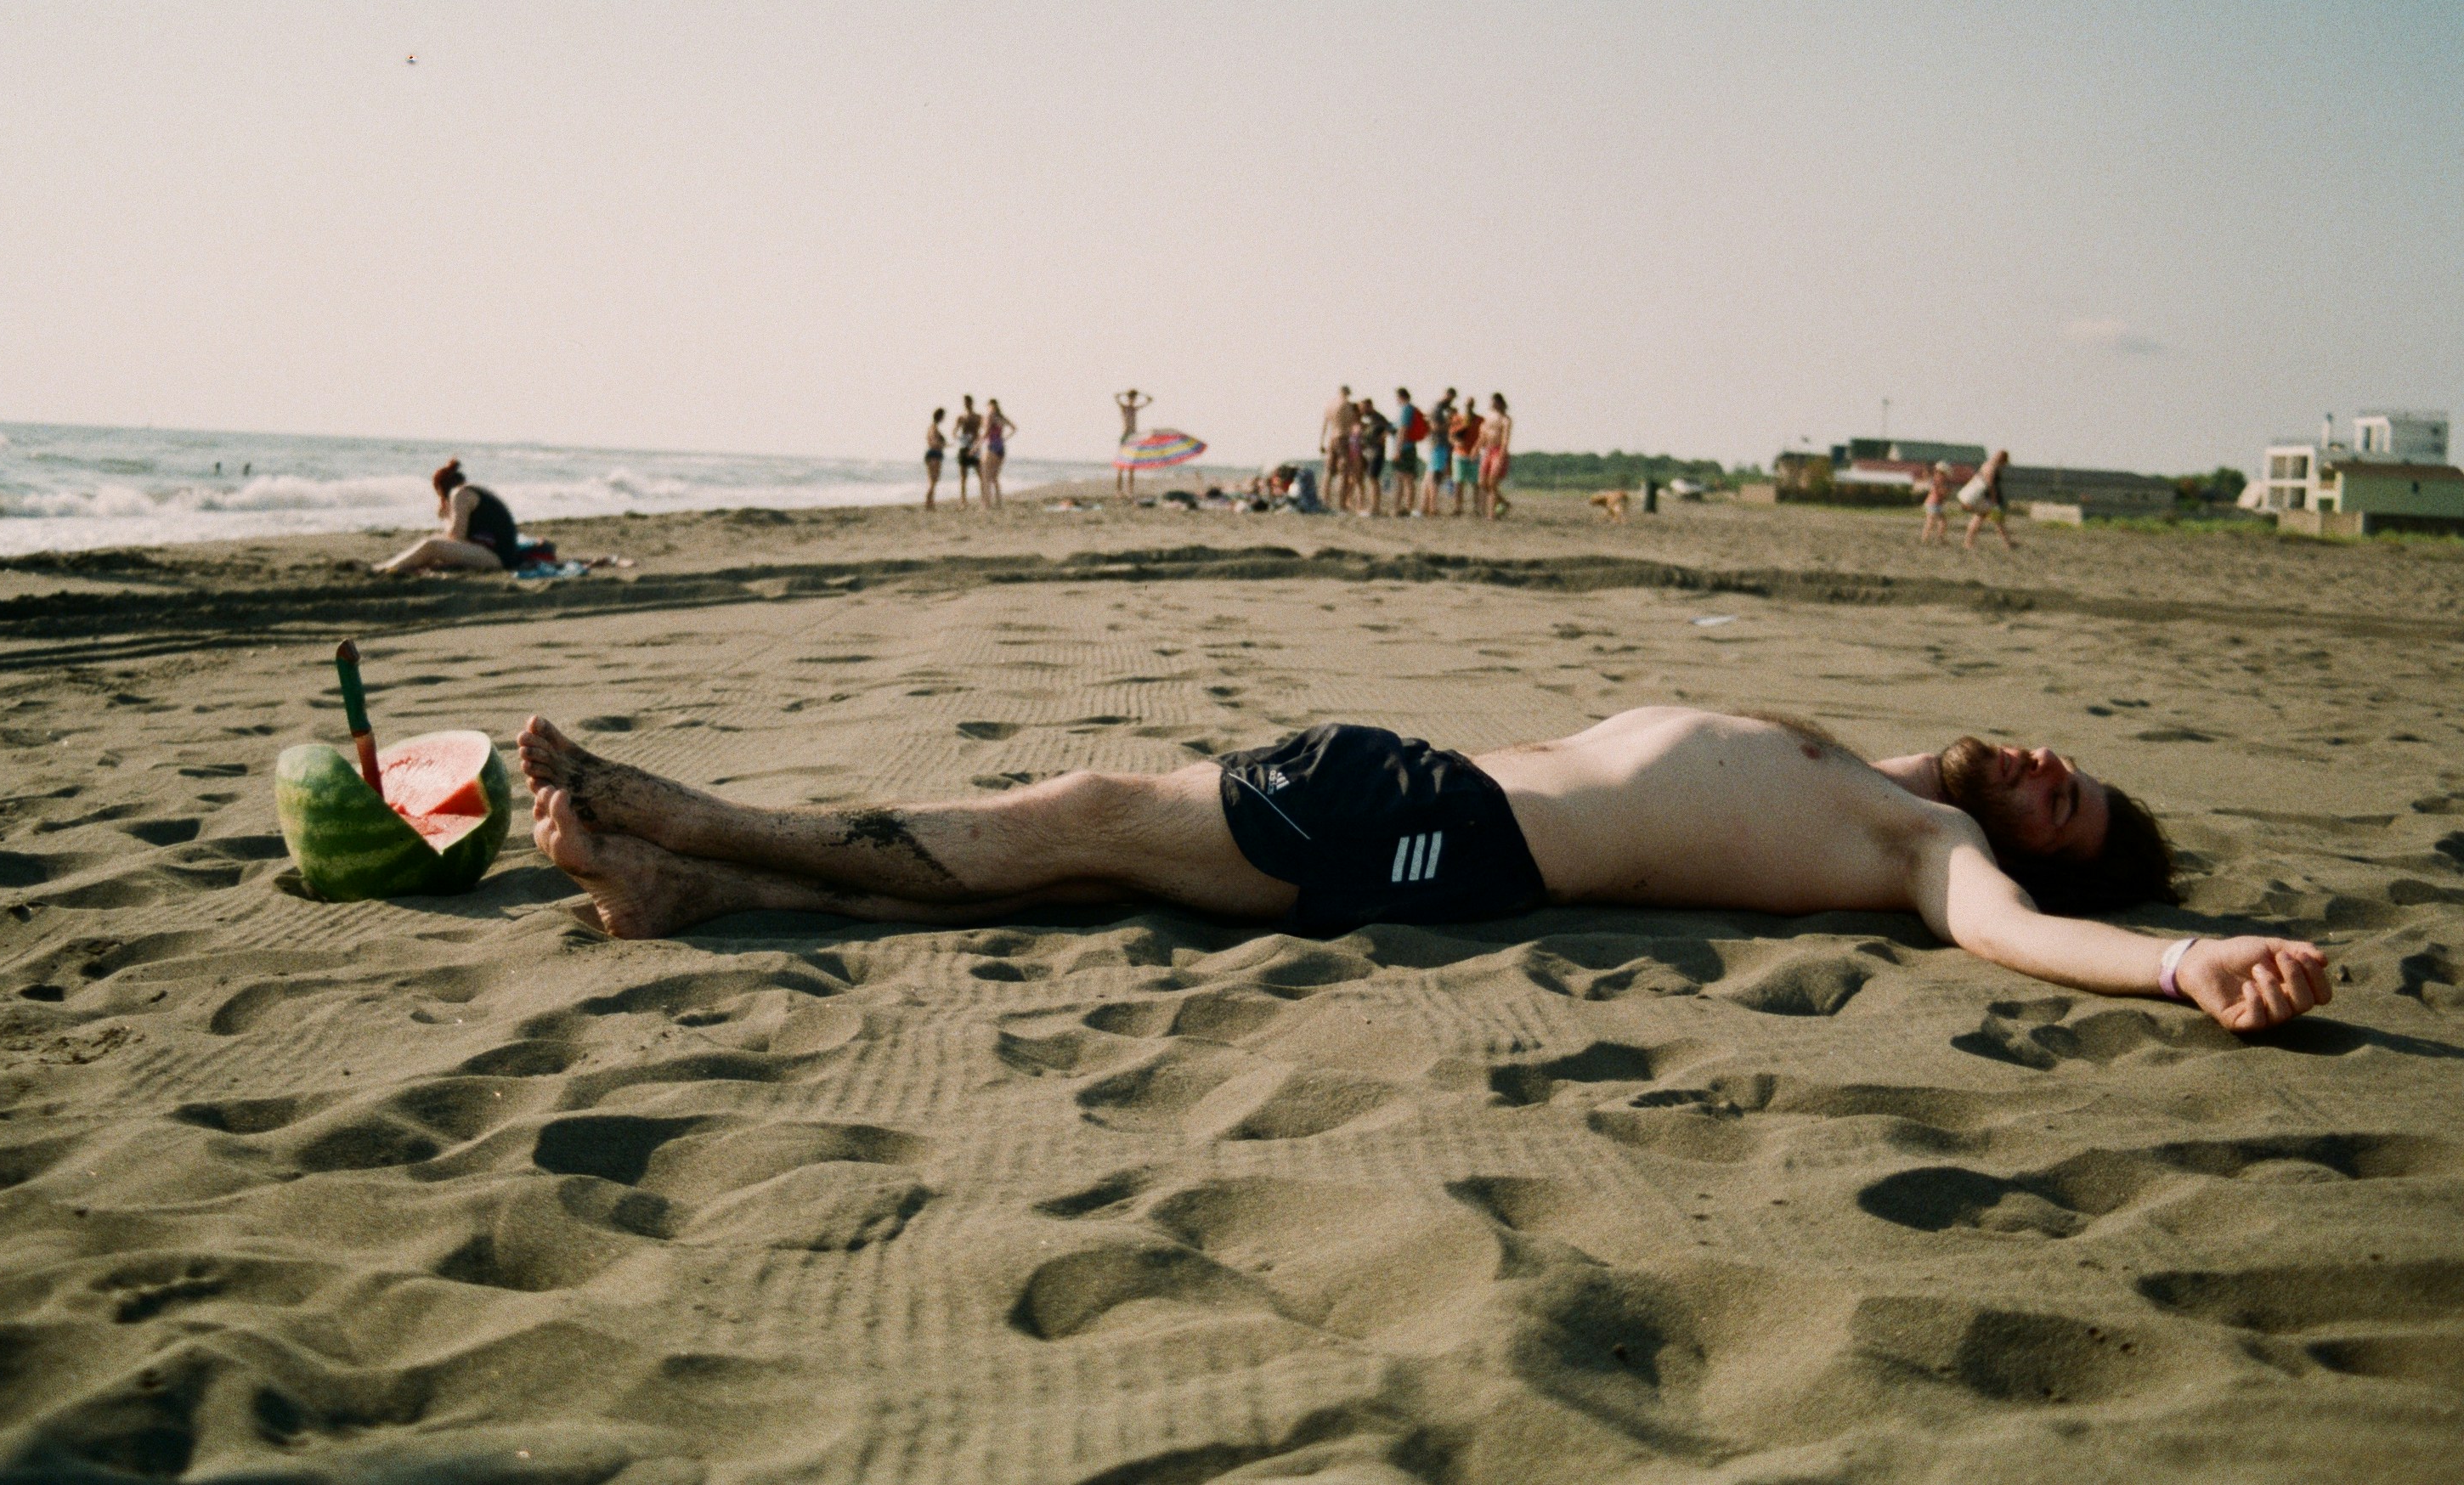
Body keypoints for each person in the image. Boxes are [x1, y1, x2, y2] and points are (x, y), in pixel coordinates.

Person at [515, 708, 2328, 1034]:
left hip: (1447, 829)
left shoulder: (1926, 844)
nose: (2043, 775)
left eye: (2064, 809)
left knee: (1078, 813)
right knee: (1087, 871)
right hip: (1437, 804)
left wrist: (2181, 964)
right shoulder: (1863, 770)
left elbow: (2007, 938)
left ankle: (687, 816)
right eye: (2066, 768)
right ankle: (704, 895)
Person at [376, 460, 523, 573]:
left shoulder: (460, 495)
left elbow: (457, 537)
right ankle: (393, 566)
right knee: (436, 542)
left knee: (431, 546)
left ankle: (386, 569)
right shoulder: (472, 491)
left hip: (497, 557)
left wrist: (446, 516)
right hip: (498, 553)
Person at [1960, 449, 2018, 551]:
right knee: (1996, 520)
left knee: (1987, 519)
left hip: (1986, 497)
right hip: (1987, 498)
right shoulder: (1991, 467)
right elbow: (1990, 484)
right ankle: (2007, 543)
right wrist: (1994, 499)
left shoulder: (1987, 465)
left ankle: (1969, 542)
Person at [1477, 392, 1513, 518]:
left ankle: (1491, 514)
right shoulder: (1489, 417)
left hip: (1498, 451)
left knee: (1492, 483)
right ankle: (1503, 502)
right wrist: (1476, 448)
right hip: (1488, 450)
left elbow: (1505, 438)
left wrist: (1502, 454)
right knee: (1482, 482)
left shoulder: (1505, 419)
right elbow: (1483, 435)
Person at [1319, 387, 1356, 507]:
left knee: (1328, 471)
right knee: (1343, 472)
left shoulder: (1330, 405)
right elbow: (1352, 424)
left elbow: (1325, 425)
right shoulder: (1347, 405)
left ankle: (1325, 501)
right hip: (1343, 438)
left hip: (1331, 438)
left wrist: (1321, 442)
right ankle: (1341, 504)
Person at [1390, 387, 1424, 516]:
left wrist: (1397, 450)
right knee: (1403, 478)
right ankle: (1402, 507)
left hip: (1405, 448)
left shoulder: (1406, 409)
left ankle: (1407, 507)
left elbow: (1402, 430)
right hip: (1407, 447)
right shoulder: (1409, 409)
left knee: (1405, 478)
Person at [1115, 389, 1154, 501]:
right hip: (1126, 436)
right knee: (1121, 466)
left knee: (1132, 466)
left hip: (1134, 438)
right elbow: (1116, 397)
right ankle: (1119, 491)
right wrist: (1125, 394)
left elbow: (1150, 400)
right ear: (1128, 399)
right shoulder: (1125, 408)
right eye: (1131, 398)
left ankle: (1130, 491)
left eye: (1134, 399)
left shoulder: (1134, 409)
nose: (1132, 400)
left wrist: (1140, 394)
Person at [1423, 388, 1457, 517]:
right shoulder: (1437, 409)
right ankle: (1432, 507)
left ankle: (1427, 506)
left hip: (1438, 445)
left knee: (1431, 475)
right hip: (1438, 444)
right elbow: (1435, 427)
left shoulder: (1441, 409)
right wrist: (1450, 422)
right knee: (1435, 475)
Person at [1355, 398, 1392, 517]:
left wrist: (1382, 438)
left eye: (1363, 408)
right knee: (1370, 478)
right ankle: (1373, 507)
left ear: (1369, 406)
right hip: (1369, 452)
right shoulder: (1369, 420)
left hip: (1377, 452)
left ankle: (1375, 507)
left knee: (1373, 478)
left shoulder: (1378, 418)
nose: (1361, 411)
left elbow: (1390, 428)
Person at [979, 398, 1017, 508]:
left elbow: (986, 433)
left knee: (986, 476)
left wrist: (975, 447)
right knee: (994, 477)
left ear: (990, 406)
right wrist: (1004, 438)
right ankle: (999, 502)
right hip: (1001, 447)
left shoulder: (990, 416)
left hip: (992, 446)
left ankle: (987, 504)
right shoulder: (1001, 417)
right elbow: (1014, 428)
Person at [1449, 398, 1481, 517]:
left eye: (1470, 405)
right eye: (1467, 405)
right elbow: (1451, 436)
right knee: (1458, 482)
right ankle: (1458, 508)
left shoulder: (1479, 420)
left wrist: (1477, 448)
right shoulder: (1458, 418)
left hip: (1474, 455)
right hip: (1459, 455)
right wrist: (1456, 442)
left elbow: (1483, 436)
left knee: (1475, 483)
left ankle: (1476, 508)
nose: (1469, 407)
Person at [952, 398, 982, 510]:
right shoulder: (961, 417)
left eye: (968, 403)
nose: (966, 405)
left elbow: (984, 430)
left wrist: (977, 441)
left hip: (975, 447)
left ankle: (984, 499)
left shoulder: (978, 417)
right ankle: (963, 501)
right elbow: (954, 432)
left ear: (971, 403)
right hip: (964, 447)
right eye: (965, 403)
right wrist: (962, 439)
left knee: (981, 474)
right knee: (963, 477)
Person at [1919, 460, 1953, 545]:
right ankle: (1925, 539)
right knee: (1931, 522)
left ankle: (1939, 538)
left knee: (1942, 522)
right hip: (1933, 504)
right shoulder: (1938, 479)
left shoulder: (1938, 479)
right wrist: (1946, 491)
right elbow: (1940, 492)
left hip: (1936, 504)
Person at [923, 407, 947, 510]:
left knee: (933, 480)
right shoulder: (934, 428)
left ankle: (930, 502)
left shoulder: (933, 427)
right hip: (934, 454)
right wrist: (943, 444)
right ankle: (929, 503)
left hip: (934, 454)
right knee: (933, 480)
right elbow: (933, 442)